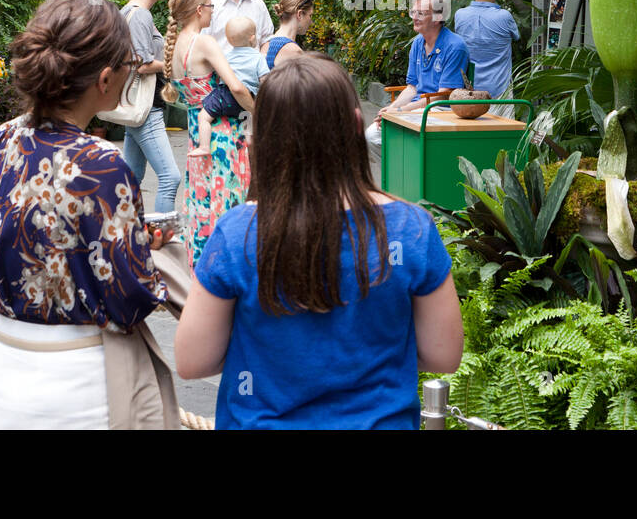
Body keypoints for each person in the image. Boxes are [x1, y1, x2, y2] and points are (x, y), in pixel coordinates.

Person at [174, 53, 463, 429]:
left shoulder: (237, 232)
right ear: (356, 125)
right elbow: (443, 355)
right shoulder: (413, 229)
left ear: (262, 139)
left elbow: (193, 360)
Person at [0, 0, 182, 430]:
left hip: (1, 366)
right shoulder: (101, 164)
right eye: (128, 65)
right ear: (105, 80)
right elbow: (129, 298)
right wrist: (153, 255)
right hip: (76, 383)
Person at [161, 0, 255, 268]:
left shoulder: (175, 45)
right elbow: (236, 86)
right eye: (211, 7)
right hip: (223, 133)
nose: (213, 12)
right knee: (228, 198)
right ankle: (230, 265)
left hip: (196, 133)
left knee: (203, 199)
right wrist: (258, 109)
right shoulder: (204, 42)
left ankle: (204, 264)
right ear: (200, 10)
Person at [365, 0, 470, 153]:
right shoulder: (417, 43)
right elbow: (412, 87)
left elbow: (441, 96)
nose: (414, 17)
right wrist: (390, 110)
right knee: (372, 134)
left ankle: (413, 173)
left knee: (406, 134)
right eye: (413, 12)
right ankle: (399, 176)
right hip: (418, 107)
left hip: (442, 109)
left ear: (437, 17)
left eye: (420, 13)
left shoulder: (455, 46)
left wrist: (401, 111)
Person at [118, 0, 181, 214]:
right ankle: (163, 242)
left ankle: (122, 234)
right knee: (170, 177)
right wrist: (173, 66)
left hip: (139, 107)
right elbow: (141, 64)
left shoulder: (132, 12)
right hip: (146, 110)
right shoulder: (139, 15)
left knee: (130, 179)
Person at [193, 16, 269, 156]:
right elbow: (265, 80)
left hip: (224, 97)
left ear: (228, 40)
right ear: (252, 38)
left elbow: (217, 75)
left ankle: (204, 146)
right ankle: (251, 158)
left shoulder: (225, 56)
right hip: (248, 100)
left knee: (203, 117)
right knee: (249, 134)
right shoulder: (259, 57)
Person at [453, 0, 521, 118]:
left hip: (469, 91)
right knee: (502, 134)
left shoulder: (460, 14)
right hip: (499, 87)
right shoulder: (504, 16)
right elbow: (517, 36)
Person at [261, 0, 313, 70]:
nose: (311, 22)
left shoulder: (266, 45)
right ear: (299, 14)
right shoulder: (293, 51)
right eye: (310, 15)